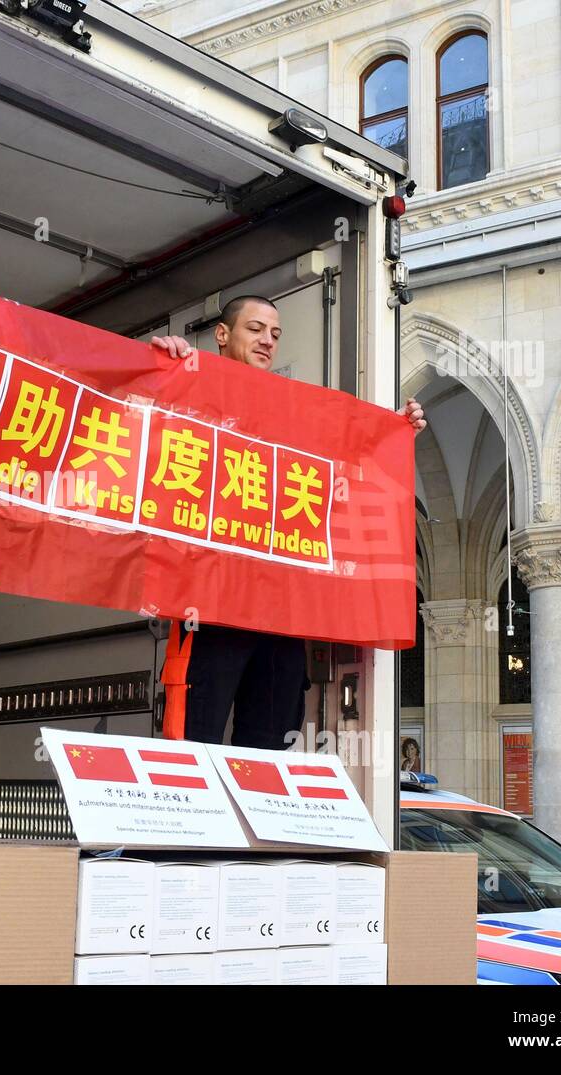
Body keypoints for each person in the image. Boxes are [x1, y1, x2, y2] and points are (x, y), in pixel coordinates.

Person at [151, 296, 426, 750]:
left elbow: (347, 458)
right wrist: (165, 365)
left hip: (281, 610)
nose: (267, 341)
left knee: (269, 750)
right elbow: (147, 428)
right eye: (255, 329)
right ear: (222, 335)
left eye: (275, 335)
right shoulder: (191, 384)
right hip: (211, 602)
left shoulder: (295, 412)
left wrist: (395, 431)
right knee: (194, 745)